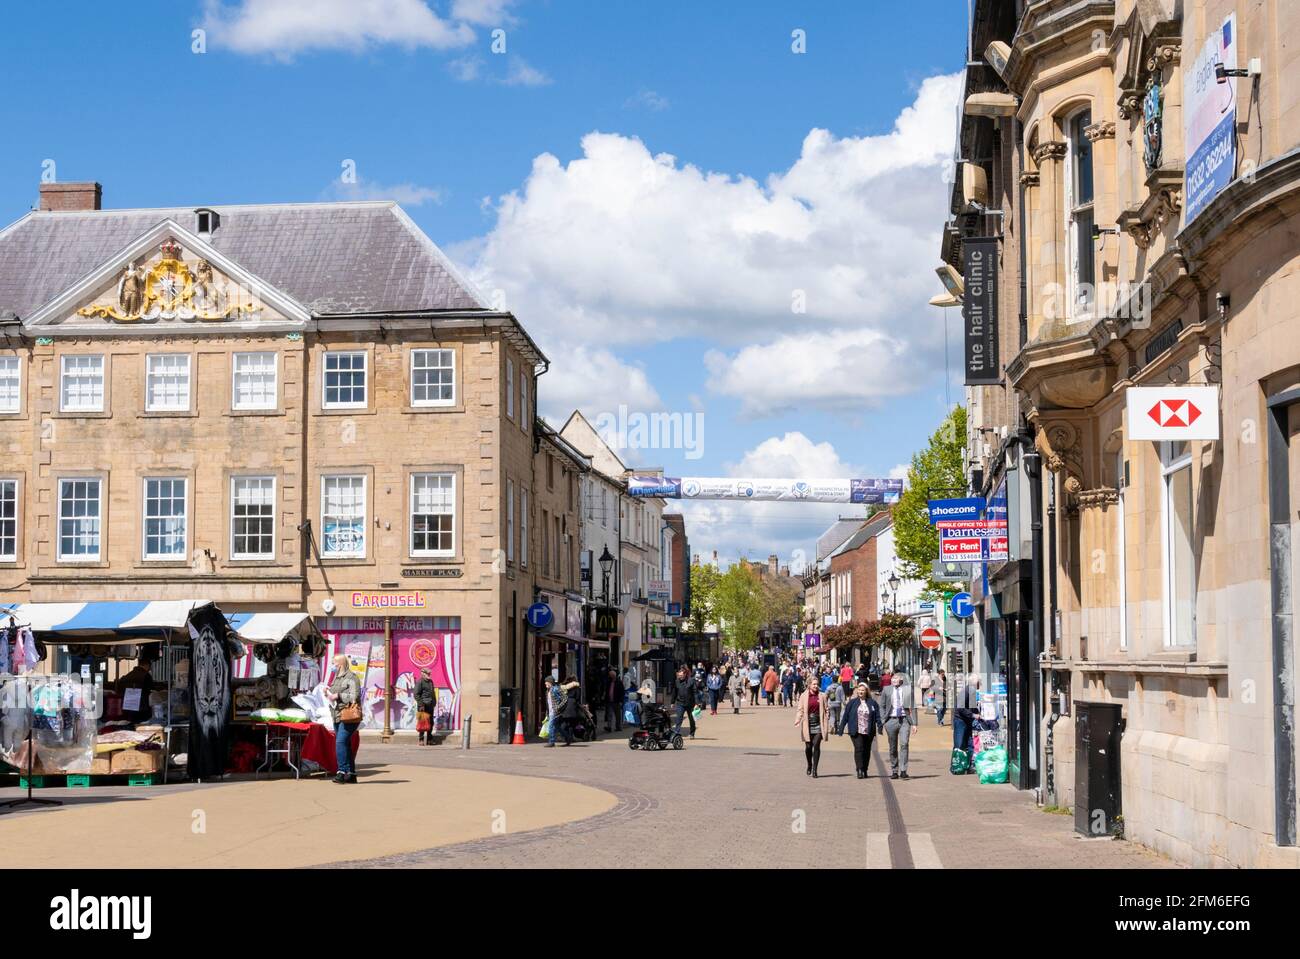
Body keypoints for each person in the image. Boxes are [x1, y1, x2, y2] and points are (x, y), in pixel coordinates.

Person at [325, 654, 361, 784]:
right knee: (345, 744)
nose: (332, 666)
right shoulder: (337, 677)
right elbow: (334, 694)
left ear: (340, 664)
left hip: (348, 715)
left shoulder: (351, 677)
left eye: (334, 663)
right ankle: (351, 774)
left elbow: (354, 696)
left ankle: (342, 771)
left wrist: (338, 695)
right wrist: (327, 692)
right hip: (337, 715)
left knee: (340, 742)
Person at [879, 670, 918, 780]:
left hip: (904, 720)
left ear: (901, 680)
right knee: (893, 747)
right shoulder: (886, 689)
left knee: (904, 744)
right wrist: (883, 721)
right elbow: (881, 705)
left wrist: (914, 723)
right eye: (893, 678)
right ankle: (894, 770)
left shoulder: (907, 690)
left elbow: (913, 707)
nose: (894, 680)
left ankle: (903, 770)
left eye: (896, 678)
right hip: (890, 721)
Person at [838, 683, 883, 779]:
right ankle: (859, 769)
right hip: (856, 730)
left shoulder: (872, 703)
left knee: (866, 751)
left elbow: (878, 716)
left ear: (866, 691)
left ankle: (865, 769)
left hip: (868, 730)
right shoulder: (852, 703)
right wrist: (841, 728)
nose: (860, 692)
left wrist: (880, 726)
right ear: (857, 691)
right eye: (859, 690)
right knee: (859, 748)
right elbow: (846, 716)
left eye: (863, 690)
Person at [794, 677, 830, 778]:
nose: (815, 686)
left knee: (816, 744)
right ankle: (809, 764)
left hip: (819, 723)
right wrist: (797, 719)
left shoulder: (822, 695)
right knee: (808, 747)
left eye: (817, 684)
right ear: (809, 685)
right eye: (814, 684)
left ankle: (815, 769)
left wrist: (827, 715)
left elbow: (826, 708)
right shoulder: (804, 696)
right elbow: (800, 709)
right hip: (808, 724)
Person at [953, 674, 980, 770]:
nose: (979, 685)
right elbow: (960, 708)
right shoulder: (966, 691)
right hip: (960, 720)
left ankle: (968, 765)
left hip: (967, 720)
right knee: (959, 744)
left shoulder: (971, 691)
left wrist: (979, 715)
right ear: (974, 683)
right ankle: (956, 765)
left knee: (969, 743)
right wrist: (973, 715)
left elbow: (973, 707)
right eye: (978, 683)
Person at [414, 667, 438, 745]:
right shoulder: (420, 682)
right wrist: (421, 704)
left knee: (431, 722)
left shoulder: (431, 681)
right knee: (422, 723)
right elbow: (416, 694)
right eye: (427, 673)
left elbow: (432, 692)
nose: (429, 674)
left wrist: (434, 702)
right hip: (423, 706)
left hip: (430, 705)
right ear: (423, 674)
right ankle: (421, 740)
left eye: (429, 673)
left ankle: (429, 740)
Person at [673, 665, 697, 738]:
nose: (679, 677)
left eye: (681, 675)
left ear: (685, 674)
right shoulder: (677, 681)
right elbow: (675, 692)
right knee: (679, 718)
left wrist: (697, 703)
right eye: (679, 675)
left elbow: (695, 692)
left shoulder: (691, 680)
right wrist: (672, 702)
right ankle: (677, 732)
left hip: (690, 704)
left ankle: (692, 733)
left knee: (691, 719)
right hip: (680, 703)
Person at [557, 676, 582, 746]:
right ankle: (569, 738)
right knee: (571, 724)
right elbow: (577, 698)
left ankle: (567, 738)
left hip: (565, 706)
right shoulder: (577, 688)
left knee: (564, 723)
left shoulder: (563, 687)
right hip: (572, 706)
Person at [544, 676, 563, 747]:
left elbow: (564, 698)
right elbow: (548, 703)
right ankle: (568, 738)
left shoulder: (555, 689)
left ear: (550, 682)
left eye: (546, 682)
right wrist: (547, 712)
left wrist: (558, 707)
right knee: (557, 727)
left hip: (555, 712)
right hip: (551, 712)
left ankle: (551, 742)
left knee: (551, 725)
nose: (545, 683)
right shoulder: (547, 691)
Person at [604, 667, 624, 732]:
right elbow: (607, 691)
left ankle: (618, 727)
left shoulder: (619, 682)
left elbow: (622, 692)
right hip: (610, 701)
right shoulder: (608, 682)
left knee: (618, 715)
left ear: (613, 676)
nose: (610, 676)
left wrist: (621, 701)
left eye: (610, 675)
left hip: (617, 701)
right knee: (609, 715)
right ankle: (609, 727)